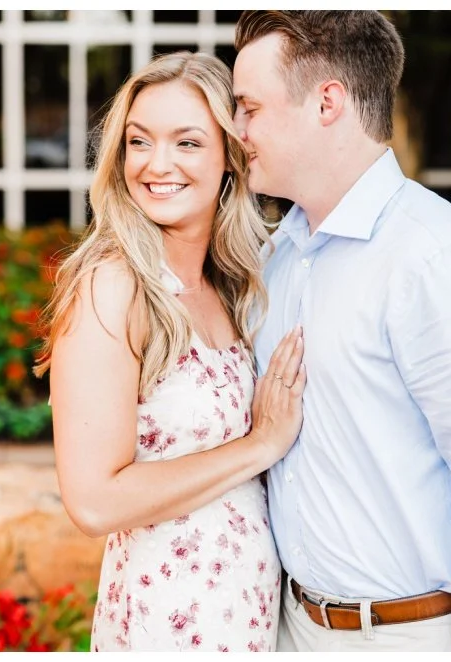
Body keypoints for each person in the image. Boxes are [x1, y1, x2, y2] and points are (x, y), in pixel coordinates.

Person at [231, 10, 451, 652]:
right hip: (289, 627)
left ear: (327, 101)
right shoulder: (281, 252)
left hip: (407, 638)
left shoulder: (437, 262)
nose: (238, 129)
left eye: (250, 107)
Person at [36, 51, 306, 652]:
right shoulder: (115, 285)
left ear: (230, 160)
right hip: (168, 624)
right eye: (139, 142)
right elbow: (93, 500)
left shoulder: (231, 284)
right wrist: (259, 445)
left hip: (248, 620)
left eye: (187, 143)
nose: (156, 165)